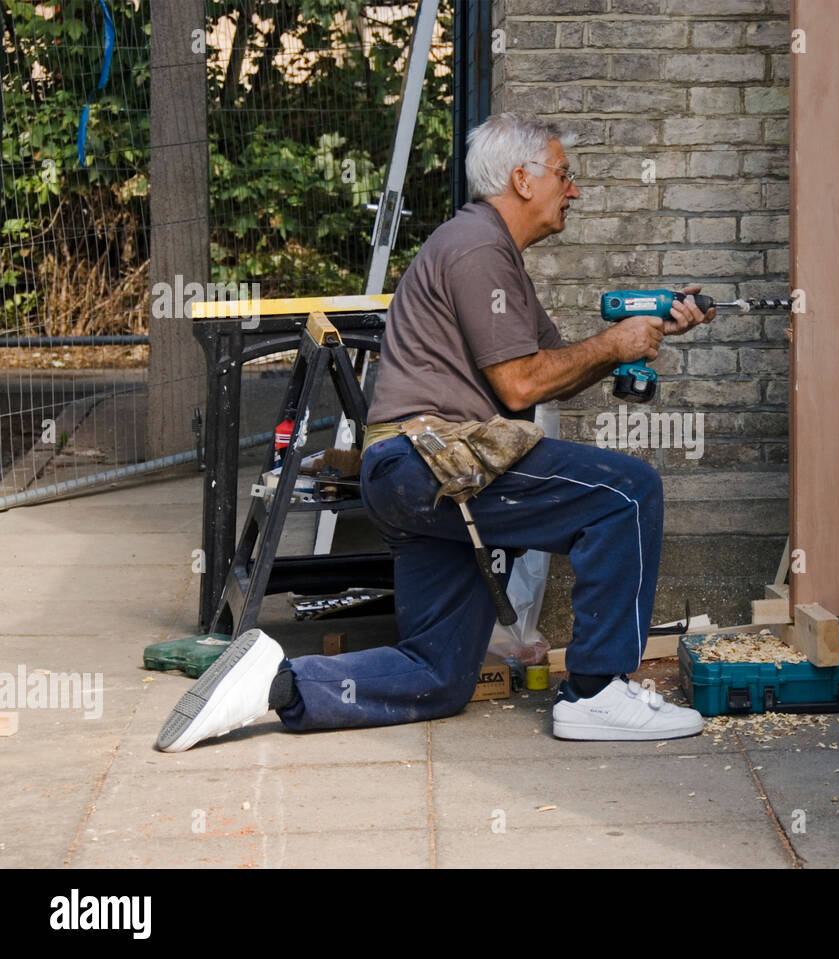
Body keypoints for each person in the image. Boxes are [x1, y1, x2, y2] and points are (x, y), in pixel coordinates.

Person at [156, 113, 716, 752]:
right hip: (434, 464)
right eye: (565, 175)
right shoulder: (478, 249)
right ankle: (595, 693)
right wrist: (615, 343)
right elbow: (521, 386)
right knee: (628, 491)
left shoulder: (491, 253)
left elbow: (556, 370)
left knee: (439, 674)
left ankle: (274, 686)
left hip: (417, 480)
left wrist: (635, 337)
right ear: (522, 180)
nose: (575, 190)